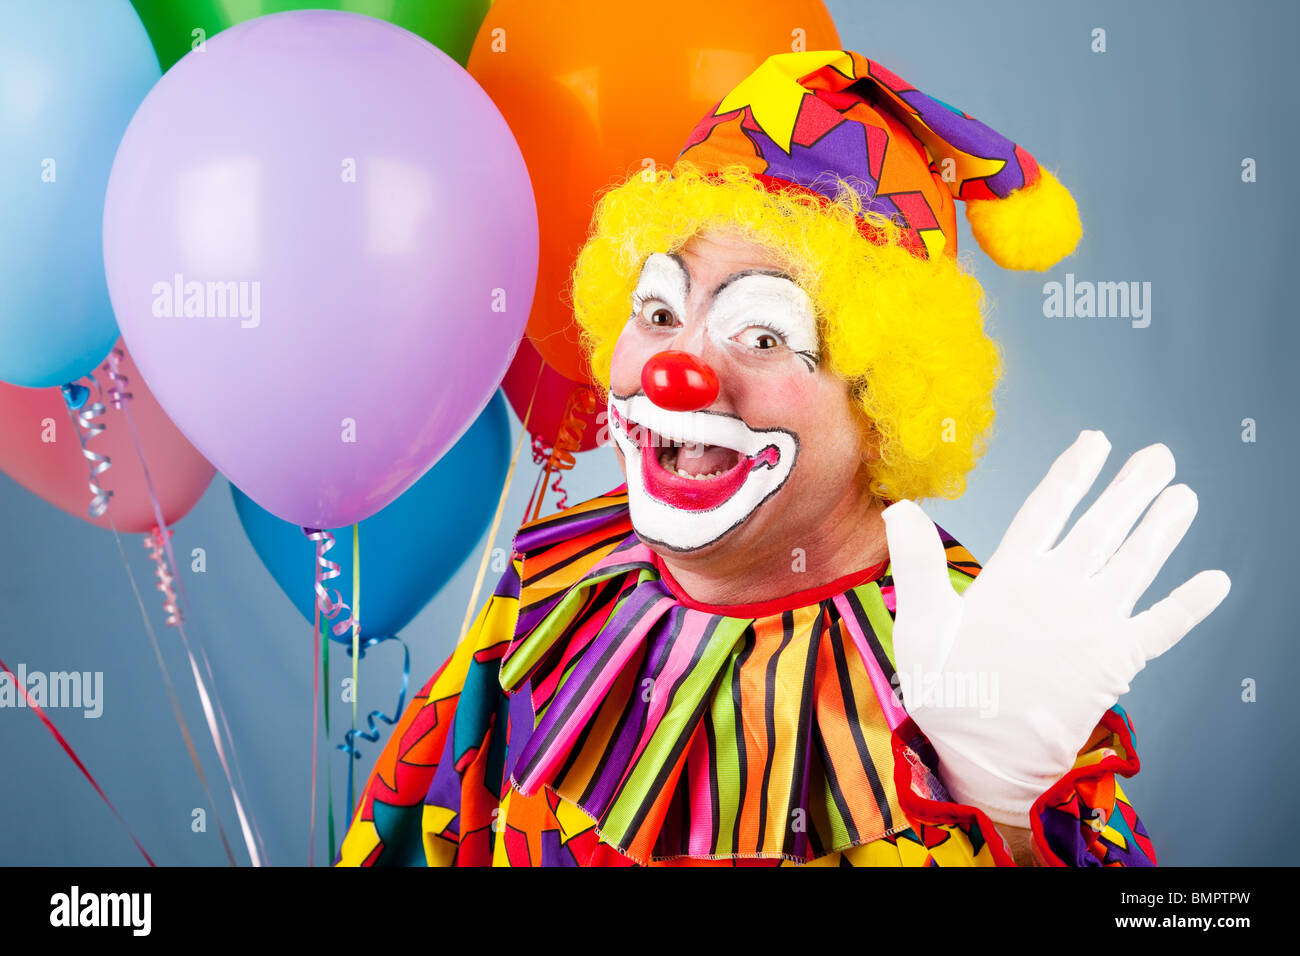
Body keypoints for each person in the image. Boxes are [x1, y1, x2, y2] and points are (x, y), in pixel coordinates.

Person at [337, 49, 1229, 867]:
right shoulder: (540, 596)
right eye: (657, 313)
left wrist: (1004, 813)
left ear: (885, 403)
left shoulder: (1000, 658)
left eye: (763, 334)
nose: (678, 372)